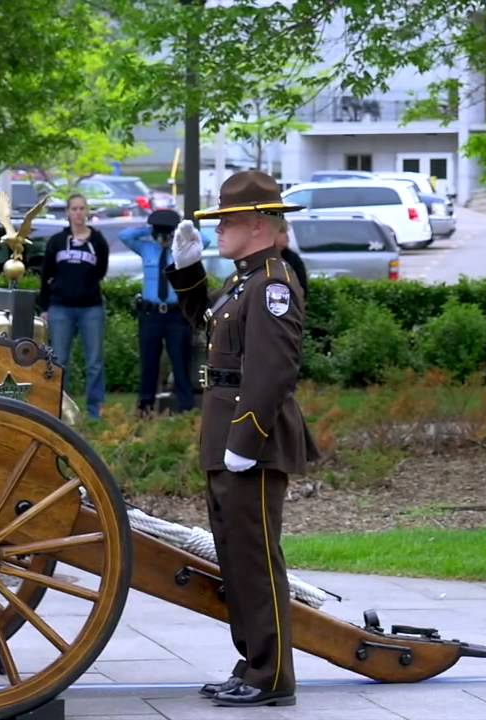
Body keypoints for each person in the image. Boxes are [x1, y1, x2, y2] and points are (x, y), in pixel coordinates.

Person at [166, 170, 318, 708]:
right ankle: (252, 662)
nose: (218, 233)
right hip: (225, 434)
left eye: (225, 223)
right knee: (235, 558)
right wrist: (186, 273)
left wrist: (246, 439)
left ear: (255, 224)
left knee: (254, 558)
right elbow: (206, 323)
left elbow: (274, 371)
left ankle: (272, 675)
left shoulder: (273, 284)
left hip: (250, 440)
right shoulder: (243, 279)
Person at [119, 208, 199, 416]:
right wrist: (150, 227)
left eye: (167, 235)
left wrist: (180, 232)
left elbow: (204, 240)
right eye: (160, 235)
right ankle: (145, 408)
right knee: (149, 362)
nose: (163, 240)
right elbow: (124, 236)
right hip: (151, 315)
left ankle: (186, 409)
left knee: (180, 362)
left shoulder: (182, 252)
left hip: (176, 315)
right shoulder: (147, 248)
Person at [39, 193, 110, 421]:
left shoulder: (98, 241)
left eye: (82, 208)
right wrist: (44, 307)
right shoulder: (57, 242)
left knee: (94, 363)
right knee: (59, 361)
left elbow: (101, 271)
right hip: (60, 308)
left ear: (87, 211)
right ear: (68, 213)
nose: (78, 213)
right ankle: (60, 410)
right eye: (74, 209)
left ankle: (94, 413)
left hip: (91, 308)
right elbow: (46, 275)